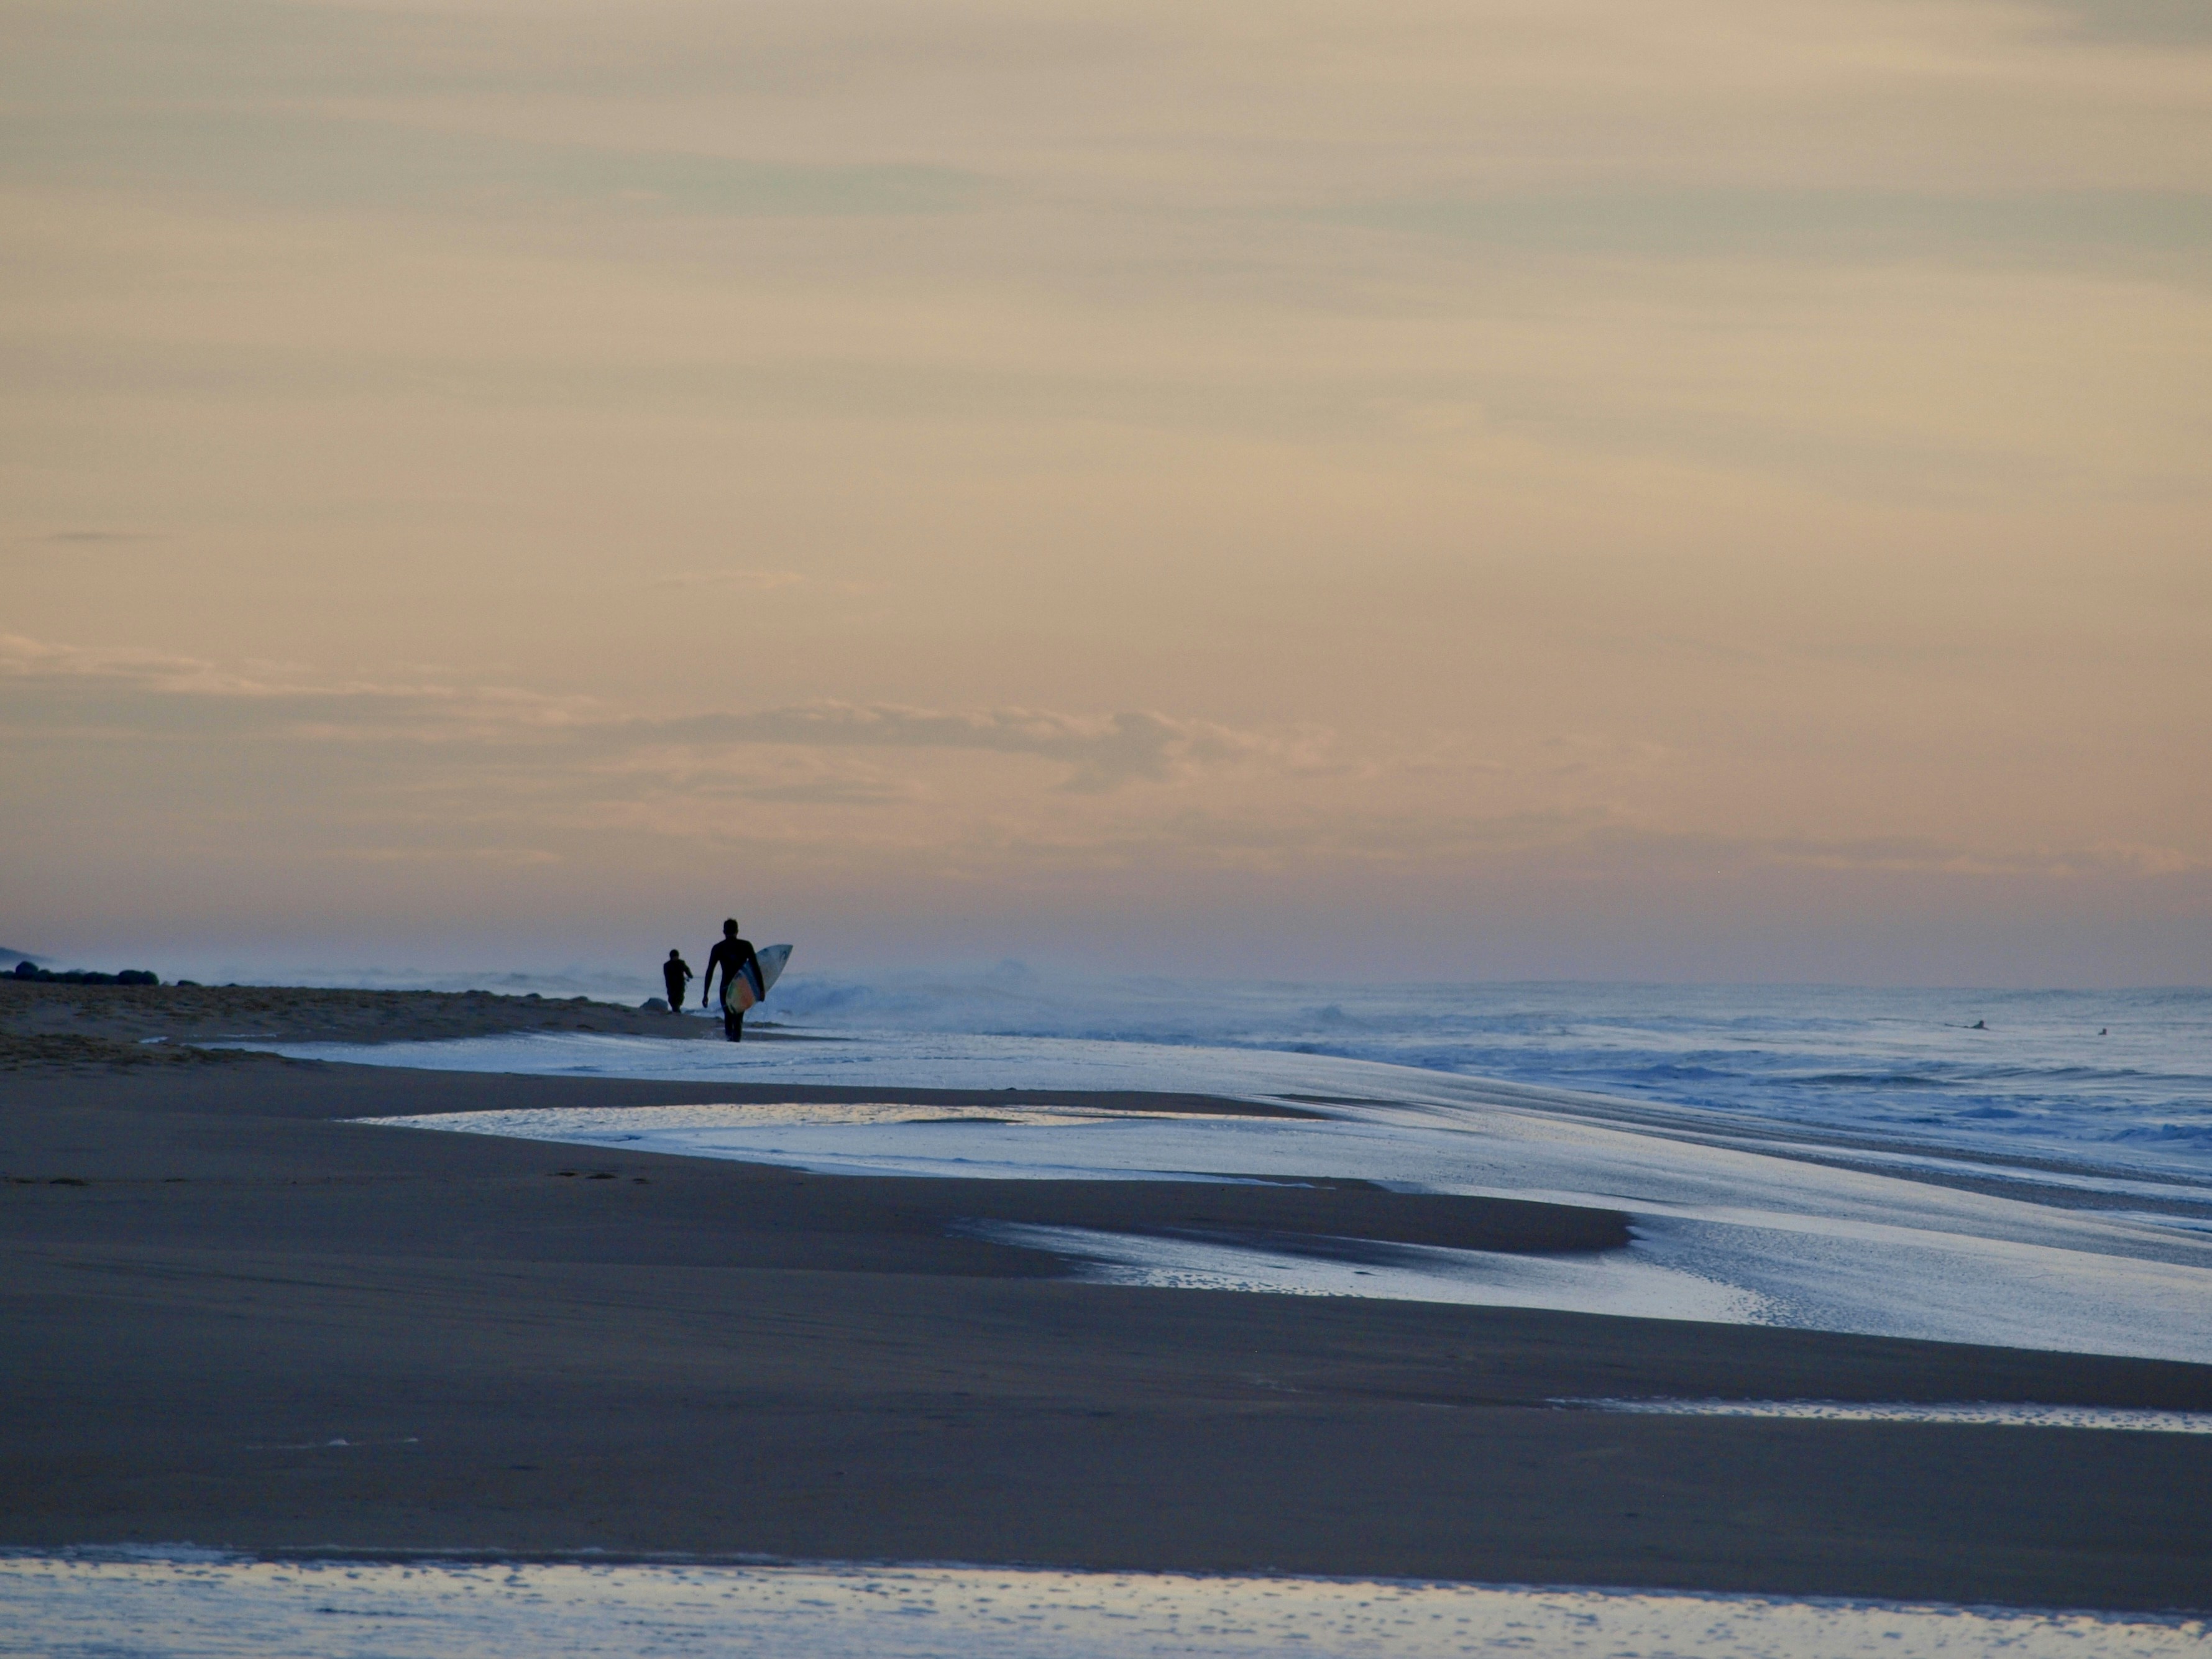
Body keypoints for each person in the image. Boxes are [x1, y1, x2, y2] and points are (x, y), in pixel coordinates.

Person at [700, 918, 763, 1043]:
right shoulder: (746, 946)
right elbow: (756, 968)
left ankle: (730, 1044)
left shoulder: (718, 948)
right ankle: (736, 1045)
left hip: (726, 987)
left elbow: (710, 971)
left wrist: (706, 994)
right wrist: (761, 989)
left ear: (724, 931)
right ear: (737, 931)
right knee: (739, 1018)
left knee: (728, 1017)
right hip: (742, 987)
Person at [661, 949, 692, 1013]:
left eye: (676, 956)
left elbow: (687, 969)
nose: (676, 958)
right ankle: (676, 1011)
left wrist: (690, 975)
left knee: (680, 998)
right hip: (671, 985)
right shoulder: (667, 965)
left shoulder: (681, 963)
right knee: (672, 999)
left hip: (680, 984)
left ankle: (677, 1011)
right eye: (674, 957)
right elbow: (667, 976)